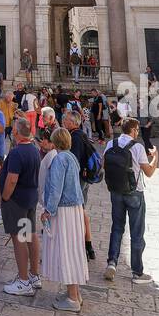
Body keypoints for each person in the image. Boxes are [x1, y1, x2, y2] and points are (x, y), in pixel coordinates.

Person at [103, 117, 158, 282]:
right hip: (134, 192)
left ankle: (112, 263)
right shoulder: (138, 147)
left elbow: (103, 162)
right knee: (136, 231)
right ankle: (137, 272)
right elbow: (148, 172)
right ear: (134, 130)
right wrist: (155, 157)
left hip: (116, 191)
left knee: (117, 227)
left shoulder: (111, 144)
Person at [40, 127, 87, 312]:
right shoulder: (71, 157)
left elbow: (56, 189)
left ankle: (72, 298)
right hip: (74, 207)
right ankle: (75, 293)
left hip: (64, 210)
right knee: (73, 250)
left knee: (66, 250)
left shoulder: (59, 159)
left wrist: (48, 210)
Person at [0, 116, 42, 297]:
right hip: (30, 198)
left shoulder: (17, 152)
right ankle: (34, 274)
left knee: (19, 238)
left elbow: (12, 179)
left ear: (16, 131)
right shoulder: (34, 149)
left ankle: (24, 280)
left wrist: (5, 196)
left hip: (17, 200)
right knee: (30, 234)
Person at [63, 110, 97, 260]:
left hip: (78, 180)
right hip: (84, 178)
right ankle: (88, 246)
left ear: (73, 123)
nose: (64, 122)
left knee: (78, 211)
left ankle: (83, 245)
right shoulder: (81, 134)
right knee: (81, 210)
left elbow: (74, 161)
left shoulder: (75, 137)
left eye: (66, 120)